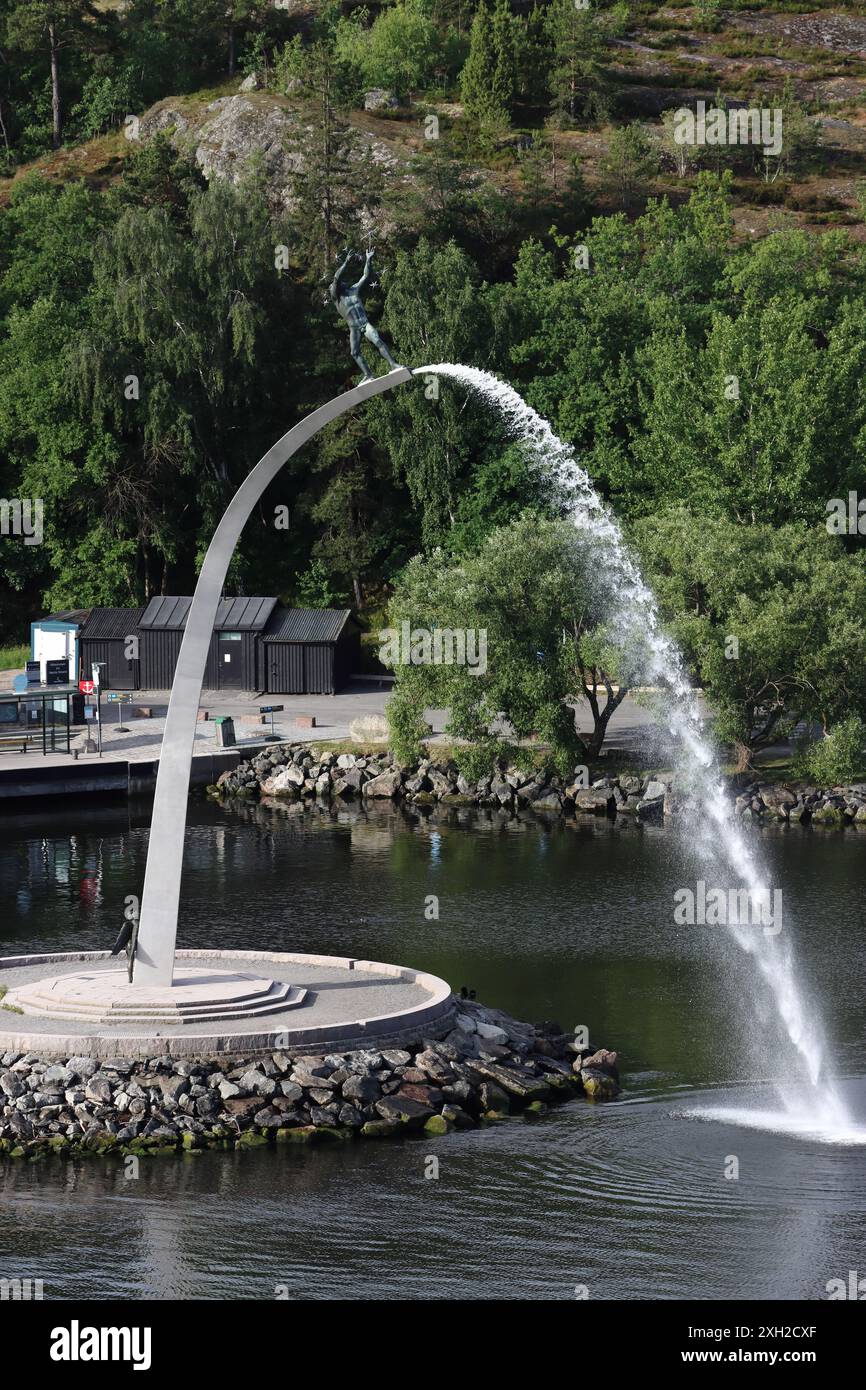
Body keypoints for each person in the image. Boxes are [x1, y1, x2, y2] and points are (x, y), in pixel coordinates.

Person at [329, 247, 402, 380]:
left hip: (365, 323)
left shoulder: (353, 290)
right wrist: (346, 262)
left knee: (377, 340)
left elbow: (365, 275)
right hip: (354, 328)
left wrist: (368, 260)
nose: (342, 282)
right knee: (354, 352)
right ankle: (368, 374)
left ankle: (393, 364)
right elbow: (336, 278)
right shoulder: (337, 299)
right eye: (339, 283)